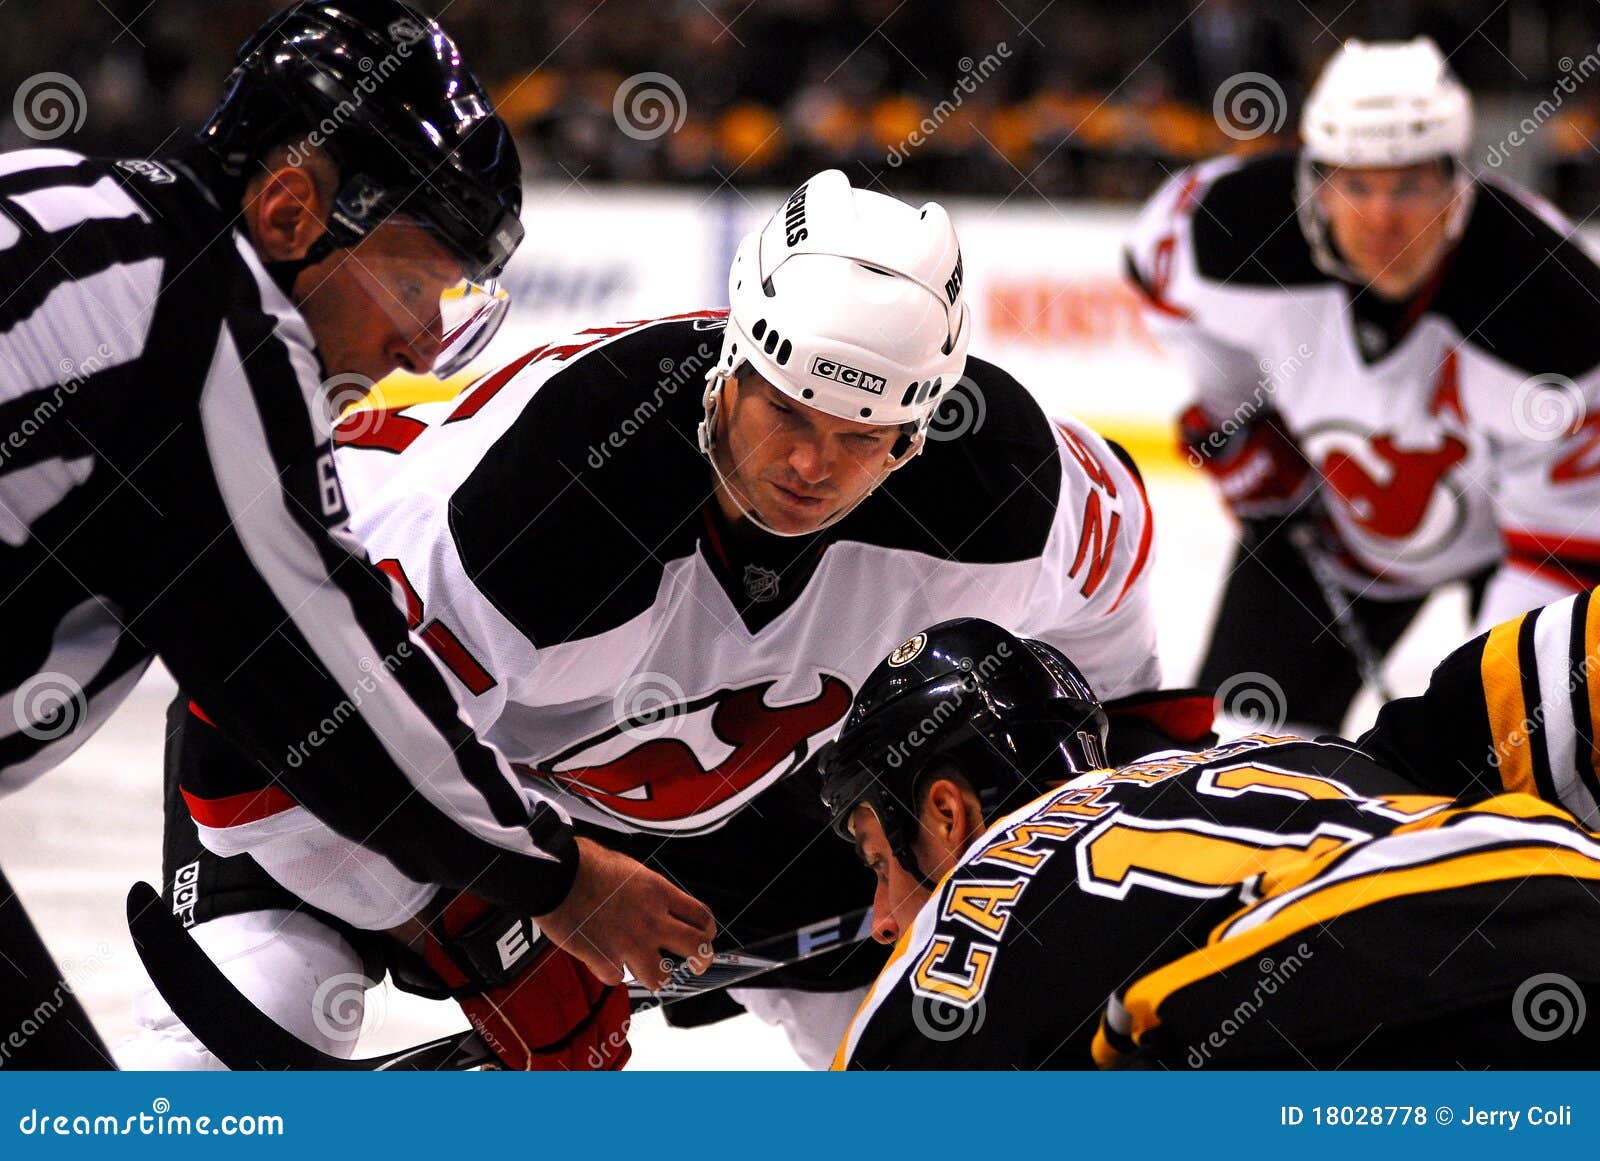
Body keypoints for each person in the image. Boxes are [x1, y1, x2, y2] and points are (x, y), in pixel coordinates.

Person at [127, 167, 1193, 1071]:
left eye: (863, 435)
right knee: (233, 1041)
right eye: (785, 409)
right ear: (733, 362)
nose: (811, 467)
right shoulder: (547, 505)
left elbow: (1120, 657)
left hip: (735, 813)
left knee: (979, 1081)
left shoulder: (1005, 488)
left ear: (920, 426)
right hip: (380, 770)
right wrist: (505, 928)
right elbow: (250, 759)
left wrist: (1117, 860)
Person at [0, 0, 713, 1069]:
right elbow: (322, 689)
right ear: (290, 211)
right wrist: (557, 879)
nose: (422, 341)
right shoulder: (203, 332)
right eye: (416, 284)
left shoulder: (70, 202)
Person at [821, 615, 1600, 1069]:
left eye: (878, 860)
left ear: (947, 812)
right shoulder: (1299, 760)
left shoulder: (970, 910)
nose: (886, 916)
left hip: (1341, 985)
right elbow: (1558, 667)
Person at [1125, 36, 1600, 734]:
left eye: (1410, 184)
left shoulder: (1549, 310)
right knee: (1236, 760)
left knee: (1512, 761)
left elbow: (1562, 552)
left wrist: (1480, 722)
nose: (1382, 219)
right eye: (1358, 185)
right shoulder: (1235, 233)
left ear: (1455, 185)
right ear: (1318, 183)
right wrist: (1238, 415)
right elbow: (1155, 276)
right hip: (1332, 529)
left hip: (1513, 542)